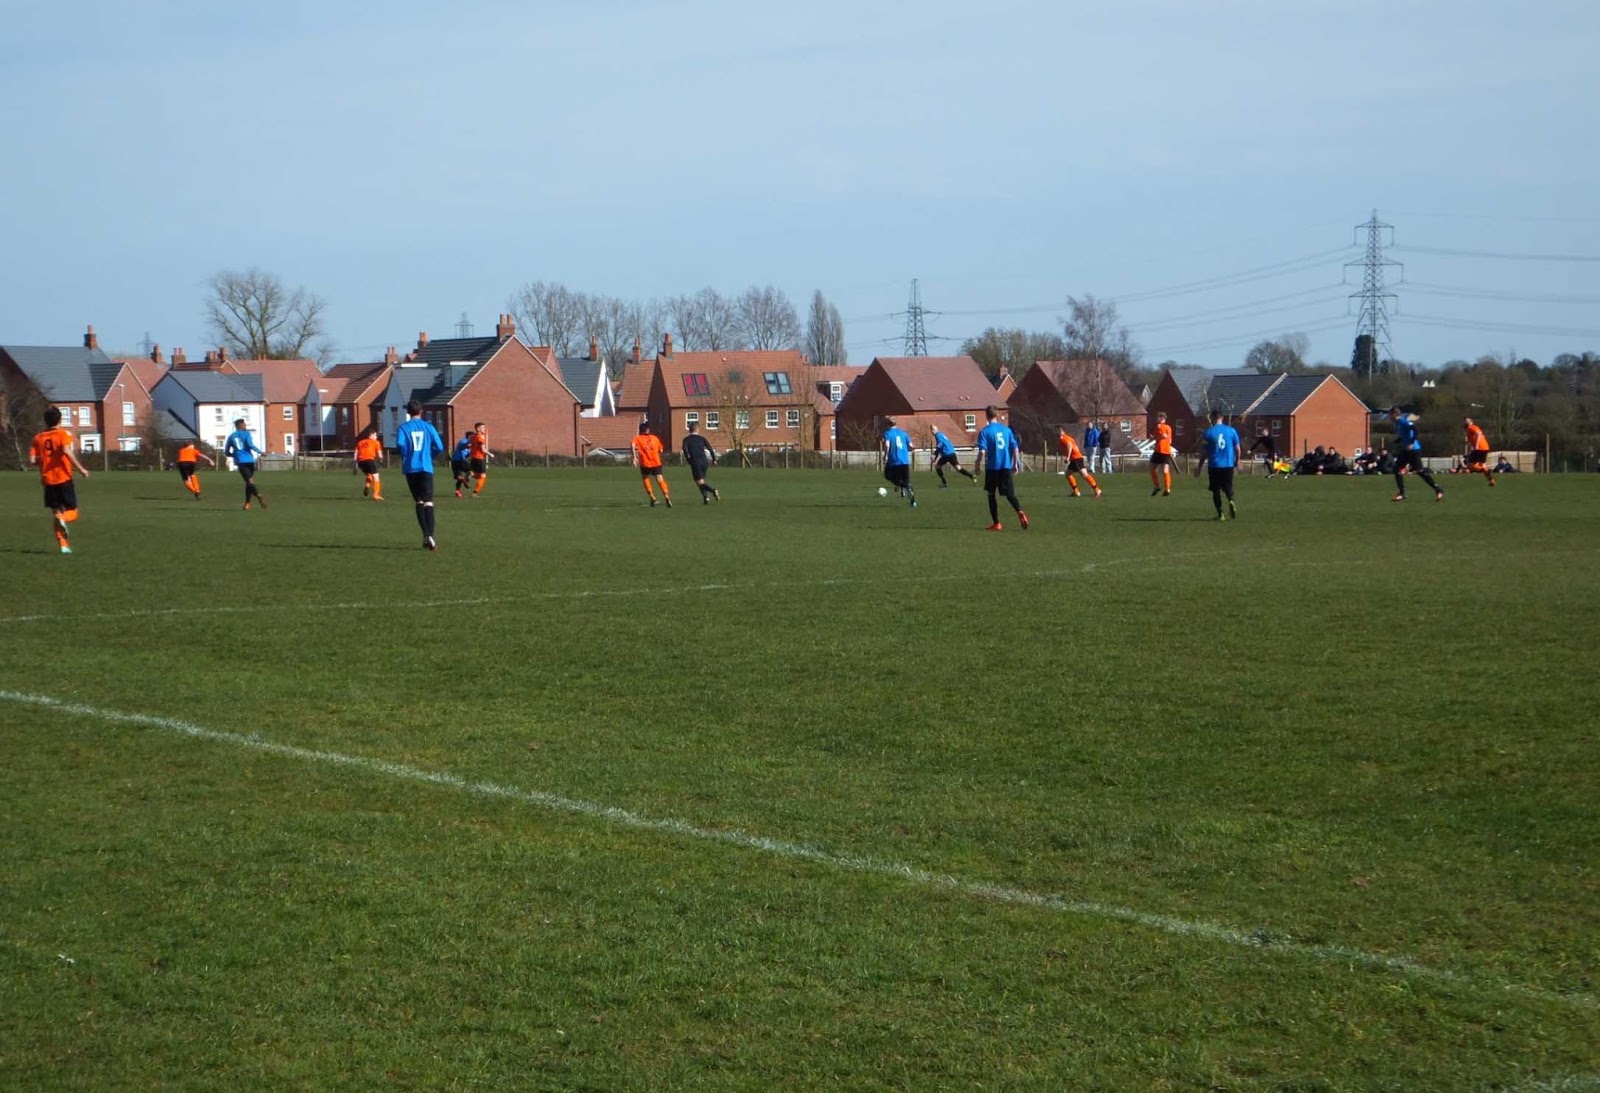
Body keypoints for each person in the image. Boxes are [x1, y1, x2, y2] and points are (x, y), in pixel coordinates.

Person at [30, 407, 90, 554]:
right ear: (60, 420)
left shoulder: (37, 438)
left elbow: (32, 460)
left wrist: (44, 460)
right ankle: (62, 518)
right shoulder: (63, 434)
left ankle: (63, 545)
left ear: (45, 421)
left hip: (48, 480)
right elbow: (66, 451)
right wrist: (81, 469)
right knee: (73, 512)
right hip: (63, 478)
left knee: (56, 512)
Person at [395, 400, 444, 549]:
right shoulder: (428, 427)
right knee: (429, 501)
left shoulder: (403, 428)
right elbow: (440, 446)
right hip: (426, 467)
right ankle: (429, 535)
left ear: (408, 412)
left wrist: (406, 455)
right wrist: (430, 455)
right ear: (421, 411)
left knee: (419, 501)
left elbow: (400, 444)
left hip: (411, 468)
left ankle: (426, 535)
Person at [974, 406, 1028, 530]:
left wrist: (977, 464)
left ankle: (997, 523)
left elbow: (982, 451)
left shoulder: (984, 432)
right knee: (1010, 494)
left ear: (986, 416)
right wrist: (1015, 463)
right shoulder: (1006, 430)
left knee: (991, 494)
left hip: (992, 468)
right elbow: (1015, 448)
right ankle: (1019, 511)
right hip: (1005, 466)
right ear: (997, 415)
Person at [1388, 408, 1444, 502]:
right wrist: (1398, 441)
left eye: (1390, 415)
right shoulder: (1398, 424)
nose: (1389, 418)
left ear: (1394, 415)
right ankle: (1402, 494)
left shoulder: (1402, 421)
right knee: (1396, 469)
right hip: (1406, 451)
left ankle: (1438, 489)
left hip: (1414, 450)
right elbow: (1405, 435)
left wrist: (1412, 442)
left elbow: (1415, 429)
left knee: (1420, 471)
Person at [1195, 409, 1241, 521]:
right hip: (1228, 464)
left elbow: (1204, 452)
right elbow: (1238, 449)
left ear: (1212, 419)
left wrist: (1199, 467)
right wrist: (1237, 461)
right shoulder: (1231, 431)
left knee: (1215, 490)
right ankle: (1231, 500)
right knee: (1228, 486)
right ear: (1222, 418)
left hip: (1214, 465)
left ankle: (1221, 514)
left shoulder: (1208, 432)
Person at [223, 417, 267, 510]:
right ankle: (247, 503)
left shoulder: (231, 437)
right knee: (249, 482)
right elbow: (250, 445)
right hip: (250, 461)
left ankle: (258, 495)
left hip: (241, 461)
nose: (245, 426)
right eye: (244, 424)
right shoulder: (247, 434)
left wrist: (234, 455)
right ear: (240, 425)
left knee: (249, 482)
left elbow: (226, 452)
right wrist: (260, 452)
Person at [632, 420, 671, 507]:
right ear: (648, 430)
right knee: (660, 479)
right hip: (656, 462)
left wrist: (634, 457)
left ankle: (652, 496)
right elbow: (661, 449)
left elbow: (633, 445)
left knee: (645, 478)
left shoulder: (637, 438)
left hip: (645, 463)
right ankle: (666, 495)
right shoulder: (655, 438)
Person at [681, 421, 720, 503]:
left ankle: (712, 490)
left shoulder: (686, 440)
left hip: (696, 462)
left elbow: (685, 450)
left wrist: (688, 460)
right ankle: (706, 499)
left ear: (689, 430)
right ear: (697, 429)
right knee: (701, 481)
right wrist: (714, 459)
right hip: (705, 461)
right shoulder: (702, 439)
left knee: (699, 482)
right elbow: (710, 448)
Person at [881, 416, 915, 508]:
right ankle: (913, 502)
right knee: (906, 481)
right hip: (905, 461)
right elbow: (911, 446)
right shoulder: (903, 433)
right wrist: (910, 449)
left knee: (888, 476)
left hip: (894, 461)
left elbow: (887, 445)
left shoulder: (887, 433)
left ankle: (904, 486)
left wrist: (885, 456)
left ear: (887, 424)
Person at [1057, 427, 1101, 498]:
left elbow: (1069, 445)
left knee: (1084, 474)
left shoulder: (1063, 438)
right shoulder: (1068, 437)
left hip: (1076, 458)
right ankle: (1076, 491)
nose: (1056, 433)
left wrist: (1068, 457)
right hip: (1077, 458)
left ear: (1060, 431)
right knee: (1068, 473)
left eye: (1057, 431)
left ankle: (1096, 489)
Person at [1463, 417, 1497, 487]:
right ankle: (1491, 480)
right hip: (1485, 447)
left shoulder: (1471, 427)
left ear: (1470, 422)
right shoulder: (1470, 429)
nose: (1464, 423)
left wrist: (1476, 446)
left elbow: (1478, 433)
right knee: (1483, 464)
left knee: (1469, 464)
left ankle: (1484, 470)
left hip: (1480, 448)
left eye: (1466, 421)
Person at [1149, 412, 1175, 496]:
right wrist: (1155, 438)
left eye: (1158, 417)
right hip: (1162, 450)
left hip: (1162, 451)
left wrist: (1158, 437)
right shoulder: (1168, 427)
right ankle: (1164, 488)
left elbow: (1164, 436)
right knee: (1158, 469)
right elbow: (1169, 440)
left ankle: (1162, 487)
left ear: (1162, 418)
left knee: (1155, 469)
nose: (1157, 419)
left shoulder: (1160, 426)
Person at [355, 427, 384, 501]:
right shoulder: (376, 442)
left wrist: (356, 464)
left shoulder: (360, 442)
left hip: (361, 462)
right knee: (376, 476)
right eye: (375, 435)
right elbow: (379, 454)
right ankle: (376, 495)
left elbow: (356, 453)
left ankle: (367, 486)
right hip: (369, 460)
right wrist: (381, 458)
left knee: (369, 475)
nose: (376, 437)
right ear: (371, 435)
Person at [468, 421, 491, 497]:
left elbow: (469, 445)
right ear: (478, 429)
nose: (484, 429)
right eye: (482, 427)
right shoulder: (480, 437)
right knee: (483, 476)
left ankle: (471, 473)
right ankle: (475, 492)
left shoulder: (472, 436)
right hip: (479, 458)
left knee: (478, 475)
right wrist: (490, 454)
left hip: (473, 458)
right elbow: (483, 450)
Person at [450, 431, 473, 498]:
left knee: (459, 477)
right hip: (459, 461)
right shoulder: (463, 441)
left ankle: (457, 491)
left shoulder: (468, 443)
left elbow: (467, 453)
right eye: (472, 437)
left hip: (455, 461)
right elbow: (465, 445)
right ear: (469, 436)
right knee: (472, 470)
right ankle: (465, 479)